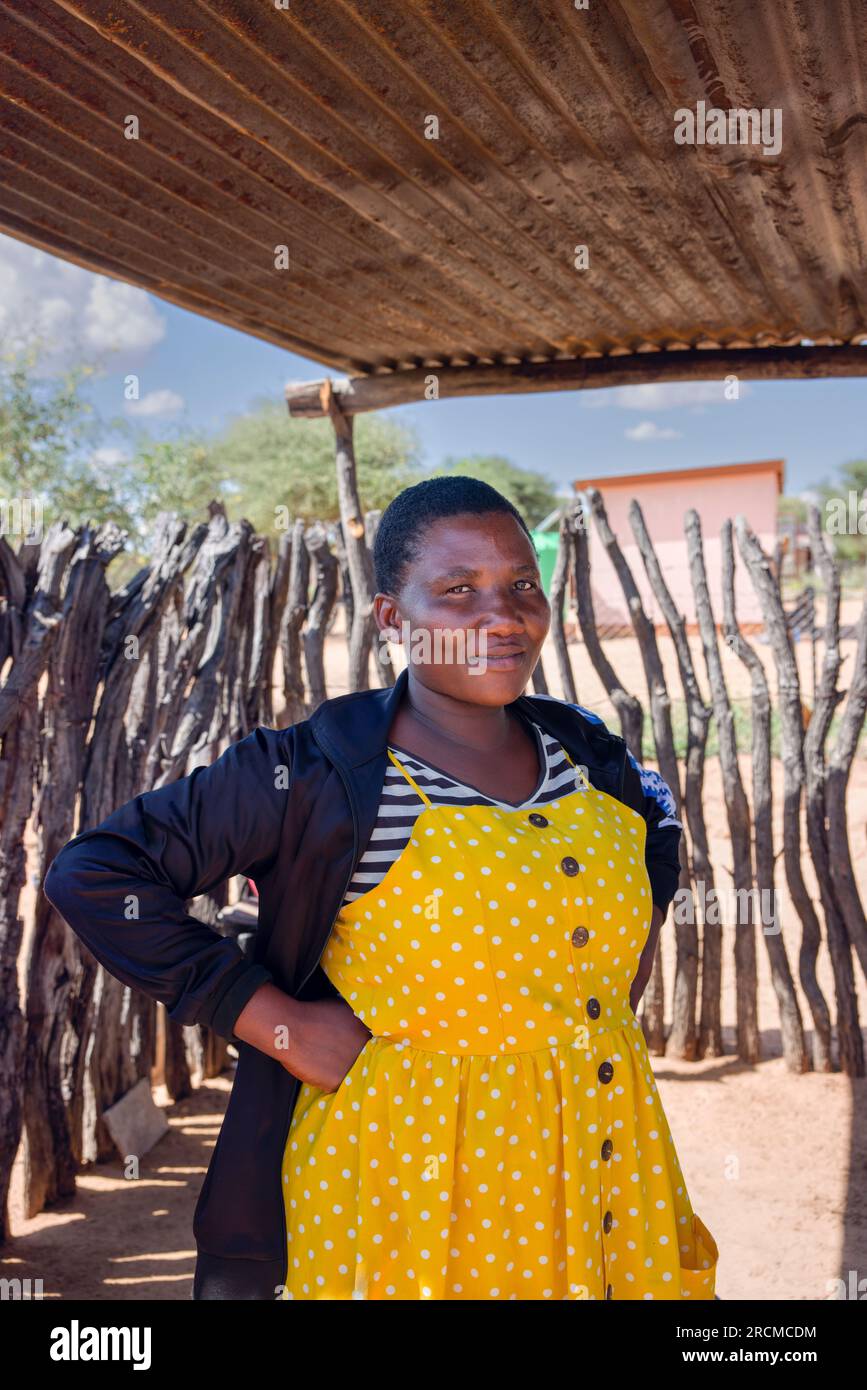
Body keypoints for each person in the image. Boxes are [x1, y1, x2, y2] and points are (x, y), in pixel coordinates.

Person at [44, 475, 719, 1301]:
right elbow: (97, 873)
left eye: (520, 586)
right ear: (394, 620)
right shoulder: (320, 772)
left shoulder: (587, 759)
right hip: (419, 1191)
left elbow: (651, 855)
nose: (502, 616)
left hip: (608, 1156)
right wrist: (281, 1023)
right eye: (457, 591)